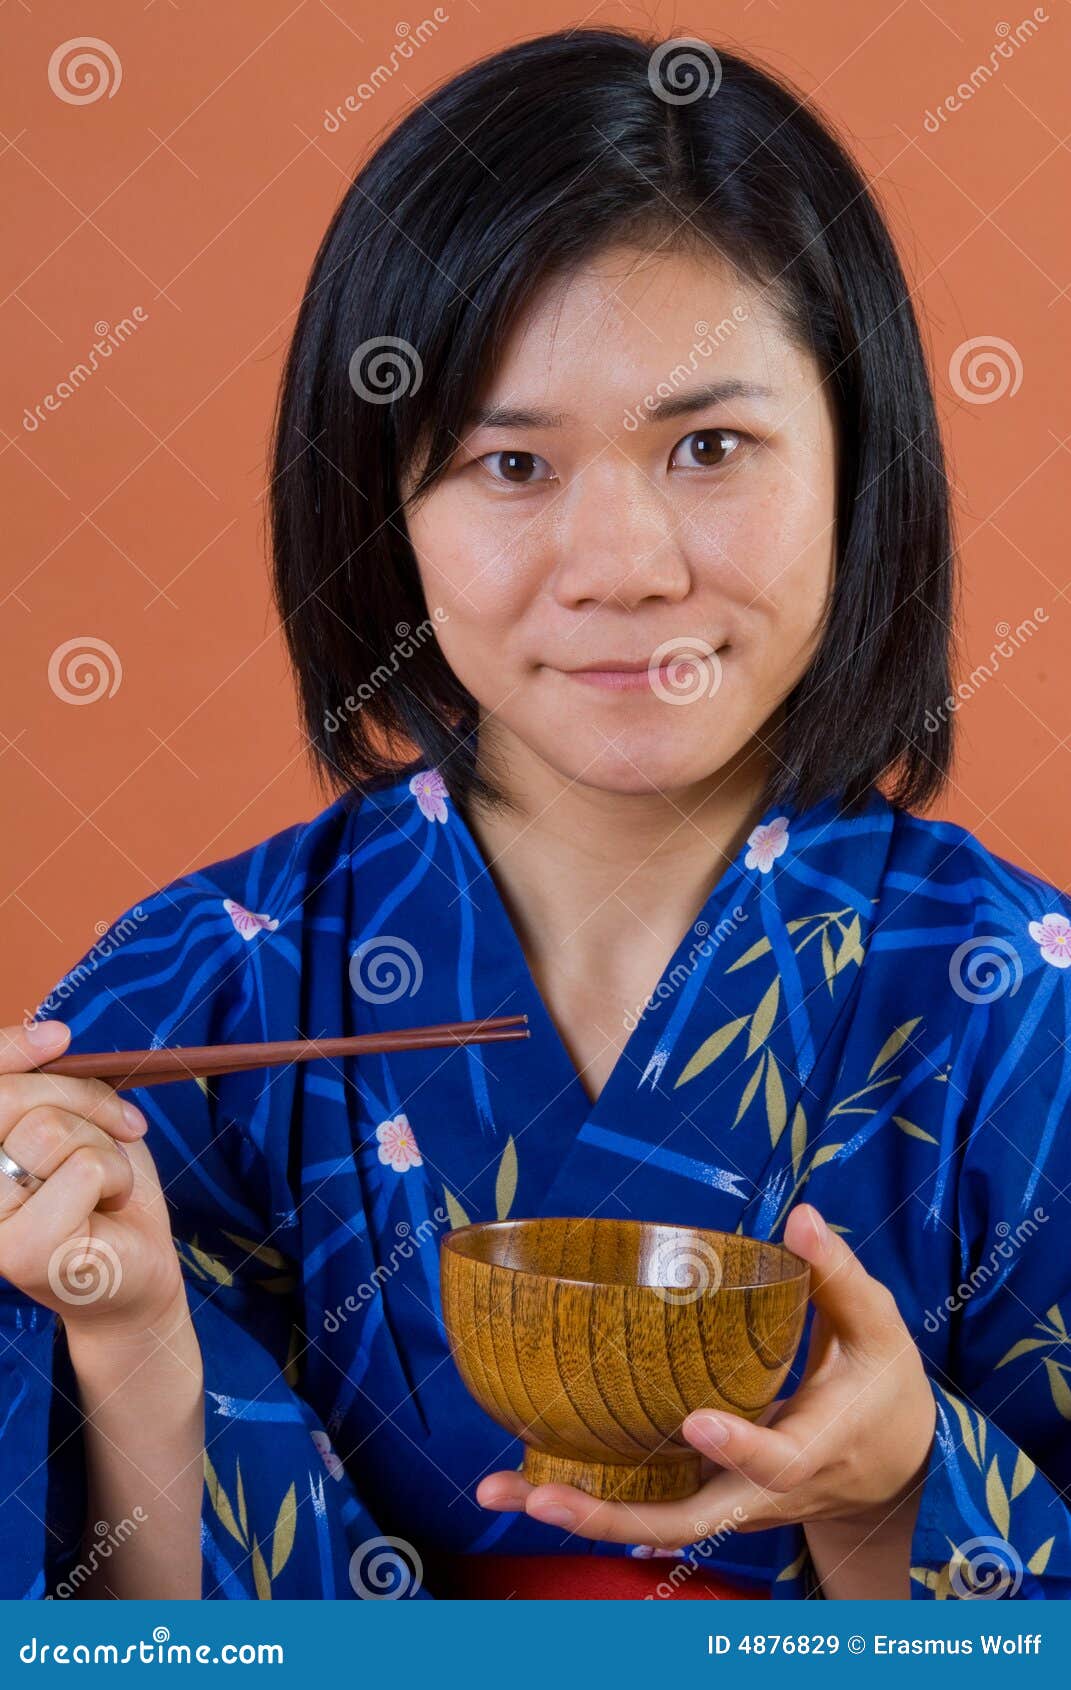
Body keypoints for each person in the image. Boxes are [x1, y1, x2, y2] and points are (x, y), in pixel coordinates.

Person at [1, 27, 1068, 1602]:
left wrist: (897, 1492)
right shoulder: (191, 1001)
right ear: (386, 505)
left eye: (710, 447)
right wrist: (130, 1329)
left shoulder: (1025, 1015)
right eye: (510, 462)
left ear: (859, 460)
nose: (623, 562)